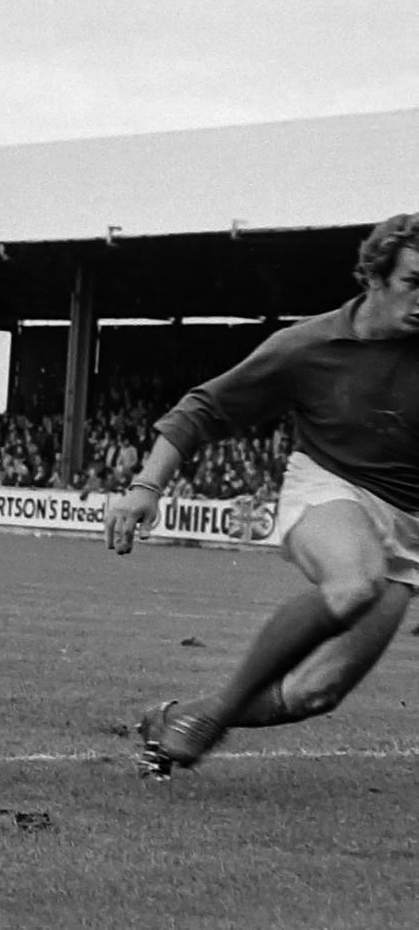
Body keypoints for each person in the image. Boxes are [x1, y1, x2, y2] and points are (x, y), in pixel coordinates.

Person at [106, 212, 419, 778]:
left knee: (314, 693)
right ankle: (215, 720)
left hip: (409, 525)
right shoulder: (308, 345)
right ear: (375, 277)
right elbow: (202, 407)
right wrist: (145, 487)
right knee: (354, 583)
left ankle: (175, 717)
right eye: (414, 282)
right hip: (330, 487)